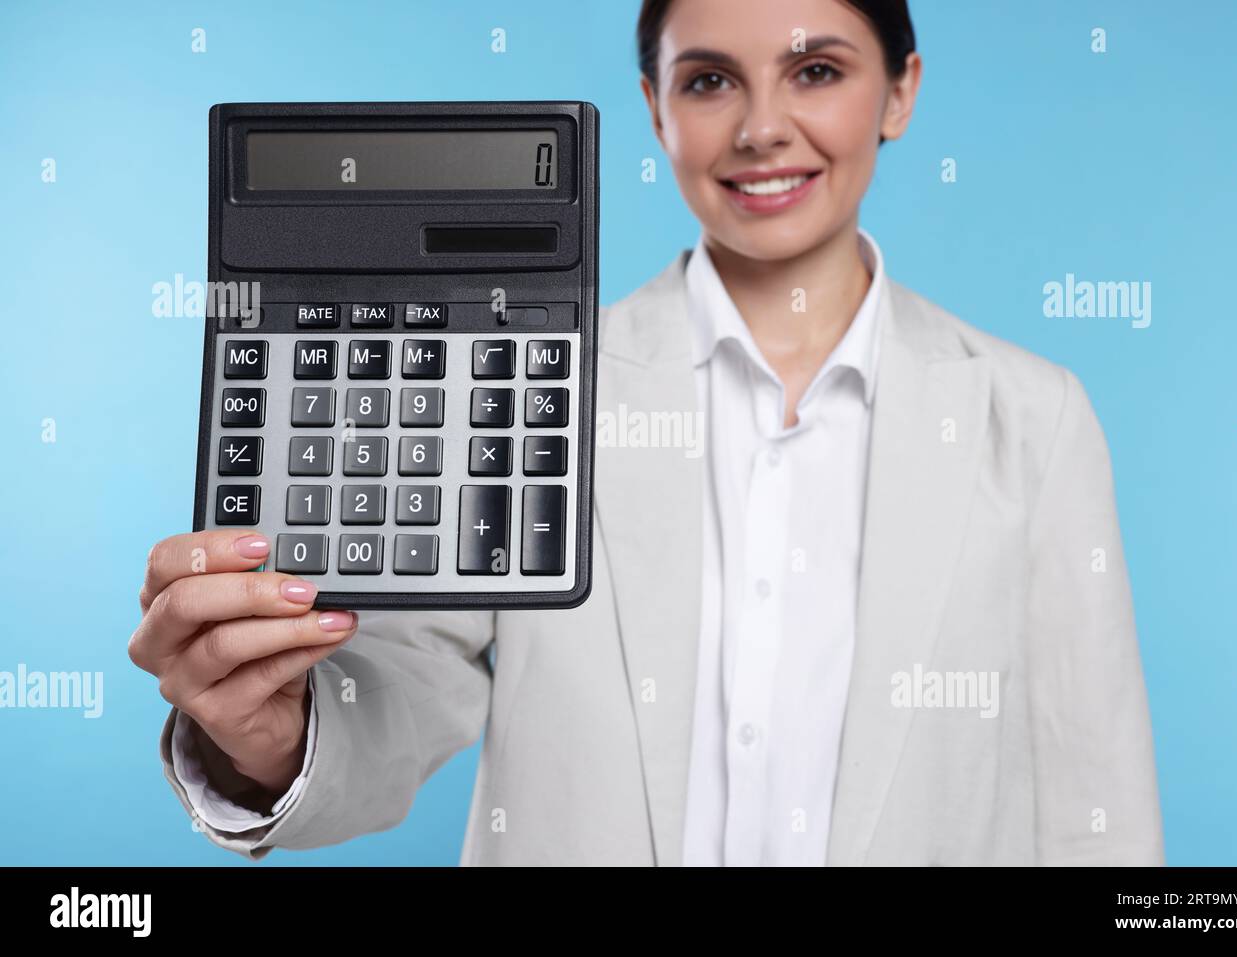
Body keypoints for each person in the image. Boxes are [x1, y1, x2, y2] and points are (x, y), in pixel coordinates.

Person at [129, 0, 1163, 865]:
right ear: (653, 109)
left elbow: (1094, 802)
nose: (761, 128)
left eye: (815, 70)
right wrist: (264, 736)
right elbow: (400, 695)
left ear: (900, 89)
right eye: (709, 80)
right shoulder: (530, 389)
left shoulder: (1032, 417)